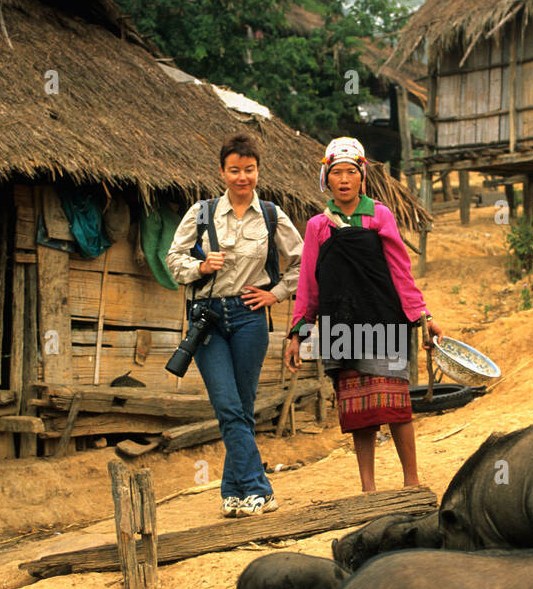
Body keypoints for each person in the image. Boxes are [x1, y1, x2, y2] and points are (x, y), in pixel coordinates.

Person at [284, 136, 442, 492]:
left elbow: (401, 270)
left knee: (396, 403)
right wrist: (298, 330)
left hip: (384, 321)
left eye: (350, 173)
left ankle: (412, 482)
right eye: (336, 172)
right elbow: (310, 282)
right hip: (341, 325)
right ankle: (368, 488)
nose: (343, 179)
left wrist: (423, 316)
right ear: (327, 178)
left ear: (361, 177)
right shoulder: (317, 226)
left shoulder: (379, 215)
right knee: (358, 413)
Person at [166, 132, 303, 517]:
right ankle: (260, 487)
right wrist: (200, 266)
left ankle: (233, 490)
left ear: (258, 170)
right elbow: (173, 259)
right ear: (222, 171)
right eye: (234, 170)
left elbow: (303, 263)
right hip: (207, 318)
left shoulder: (273, 216)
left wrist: (275, 294)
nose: (242, 177)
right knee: (228, 405)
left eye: (249, 169)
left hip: (249, 317)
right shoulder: (202, 212)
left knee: (241, 406)